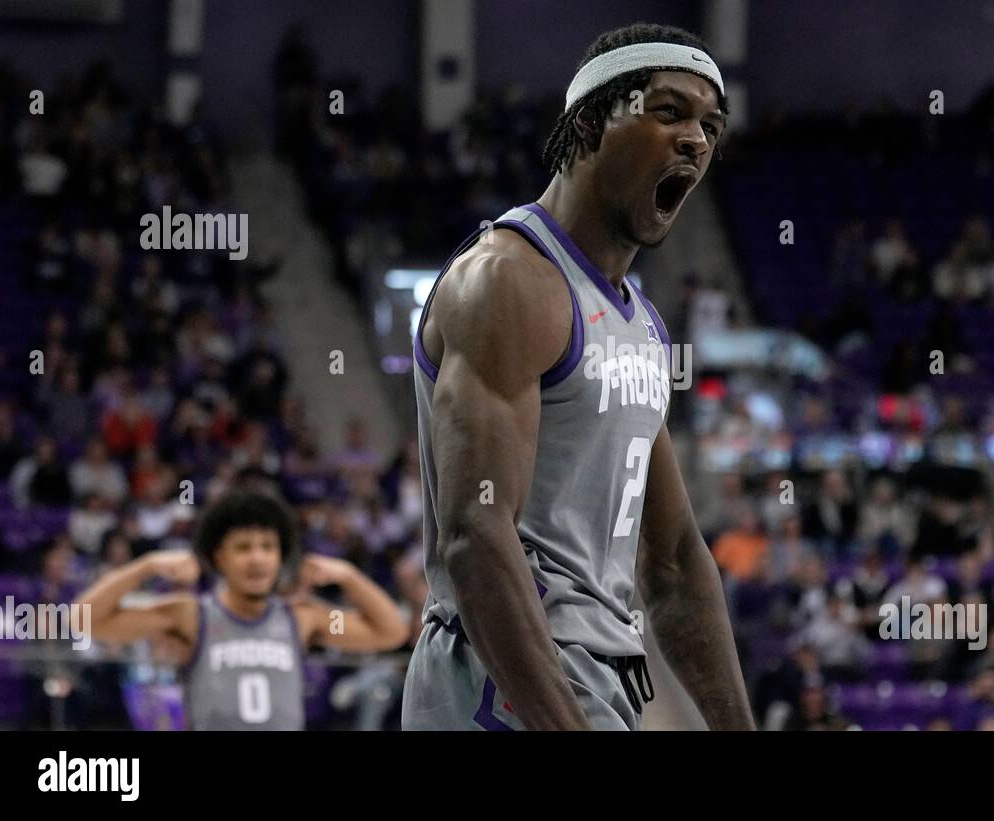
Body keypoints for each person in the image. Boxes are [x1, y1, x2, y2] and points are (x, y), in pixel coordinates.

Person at [401, 22, 752, 731]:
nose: (696, 139)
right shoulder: (509, 278)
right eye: (669, 112)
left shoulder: (641, 323)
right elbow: (475, 528)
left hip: (598, 671)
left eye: (711, 125)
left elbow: (677, 561)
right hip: (500, 674)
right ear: (590, 121)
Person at [76, 491, 407, 729]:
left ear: (281, 557)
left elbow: (389, 632)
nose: (257, 558)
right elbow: (84, 620)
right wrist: (145, 567)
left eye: (268, 547)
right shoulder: (189, 617)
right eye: (243, 547)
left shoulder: (305, 620)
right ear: (219, 556)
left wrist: (348, 576)